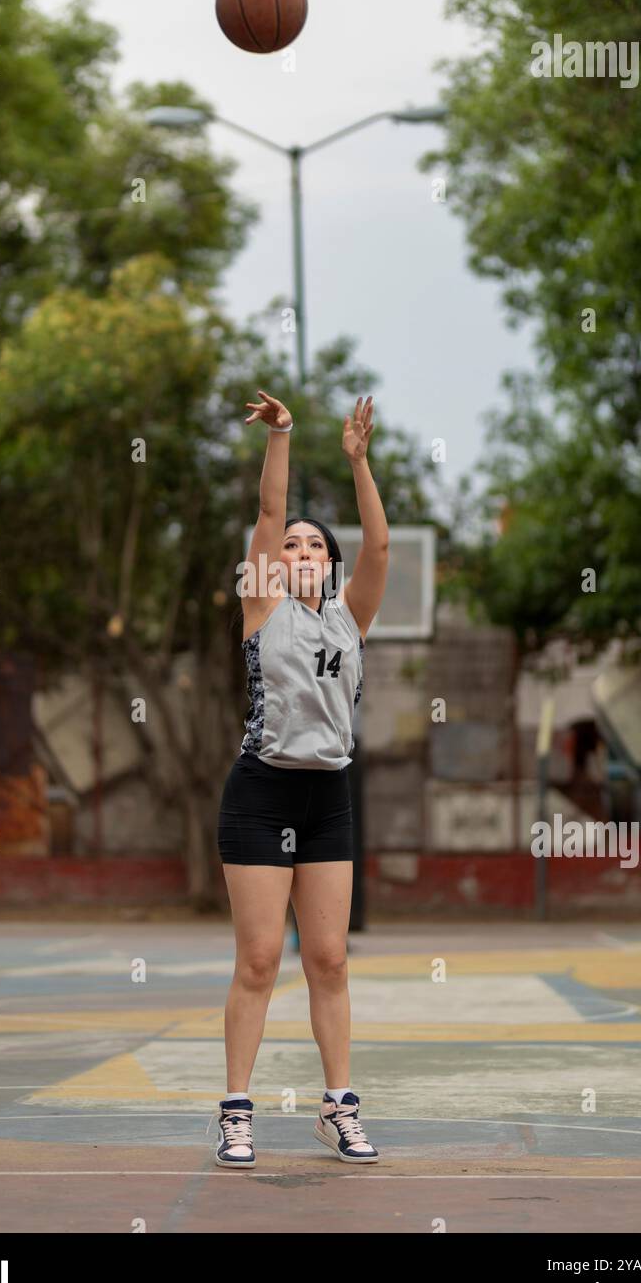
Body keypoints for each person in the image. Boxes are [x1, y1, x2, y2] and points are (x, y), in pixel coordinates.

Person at [212, 390, 389, 1167]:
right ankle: (236, 1112)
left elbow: (379, 549)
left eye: (314, 544)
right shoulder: (262, 606)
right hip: (261, 791)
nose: (301, 549)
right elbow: (266, 512)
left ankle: (338, 1110)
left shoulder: (351, 617)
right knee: (258, 959)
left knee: (329, 958)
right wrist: (282, 436)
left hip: (327, 797)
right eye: (292, 545)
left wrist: (358, 462)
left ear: (330, 562)